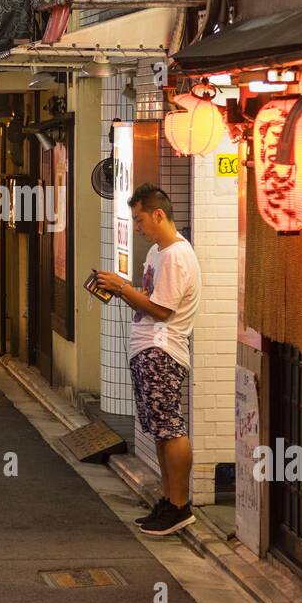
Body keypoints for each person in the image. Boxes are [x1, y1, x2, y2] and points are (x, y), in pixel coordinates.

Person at [96, 184, 202, 536]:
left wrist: (123, 288)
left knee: (169, 427)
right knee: (160, 429)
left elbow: (160, 310)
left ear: (159, 214)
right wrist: (122, 289)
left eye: (140, 220)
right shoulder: (160, 252)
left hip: (162, 350)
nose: (137, 227)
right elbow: (150, 300)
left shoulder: (174, 255)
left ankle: (179, 505)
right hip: (149, 348)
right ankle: (169, 500)